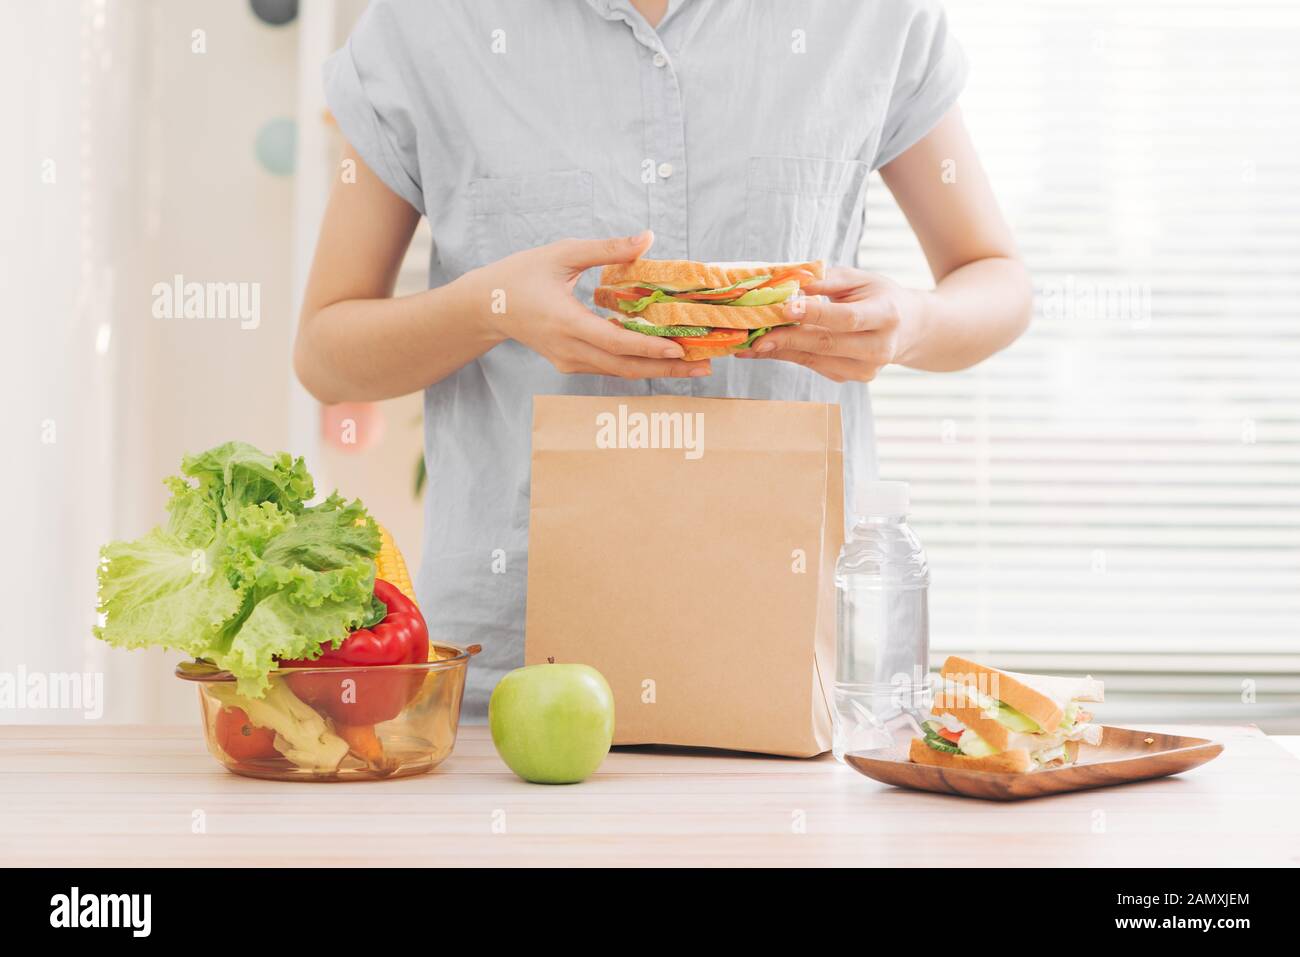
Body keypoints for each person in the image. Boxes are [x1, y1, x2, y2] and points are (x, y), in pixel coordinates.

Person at [294, 0, 1031, 717]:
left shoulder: (871, 18)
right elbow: (327, 354)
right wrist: (492, 307)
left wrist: (912, 322)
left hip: (798, 665)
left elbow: (996, 278)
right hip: (516, 674)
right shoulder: (427, 23)